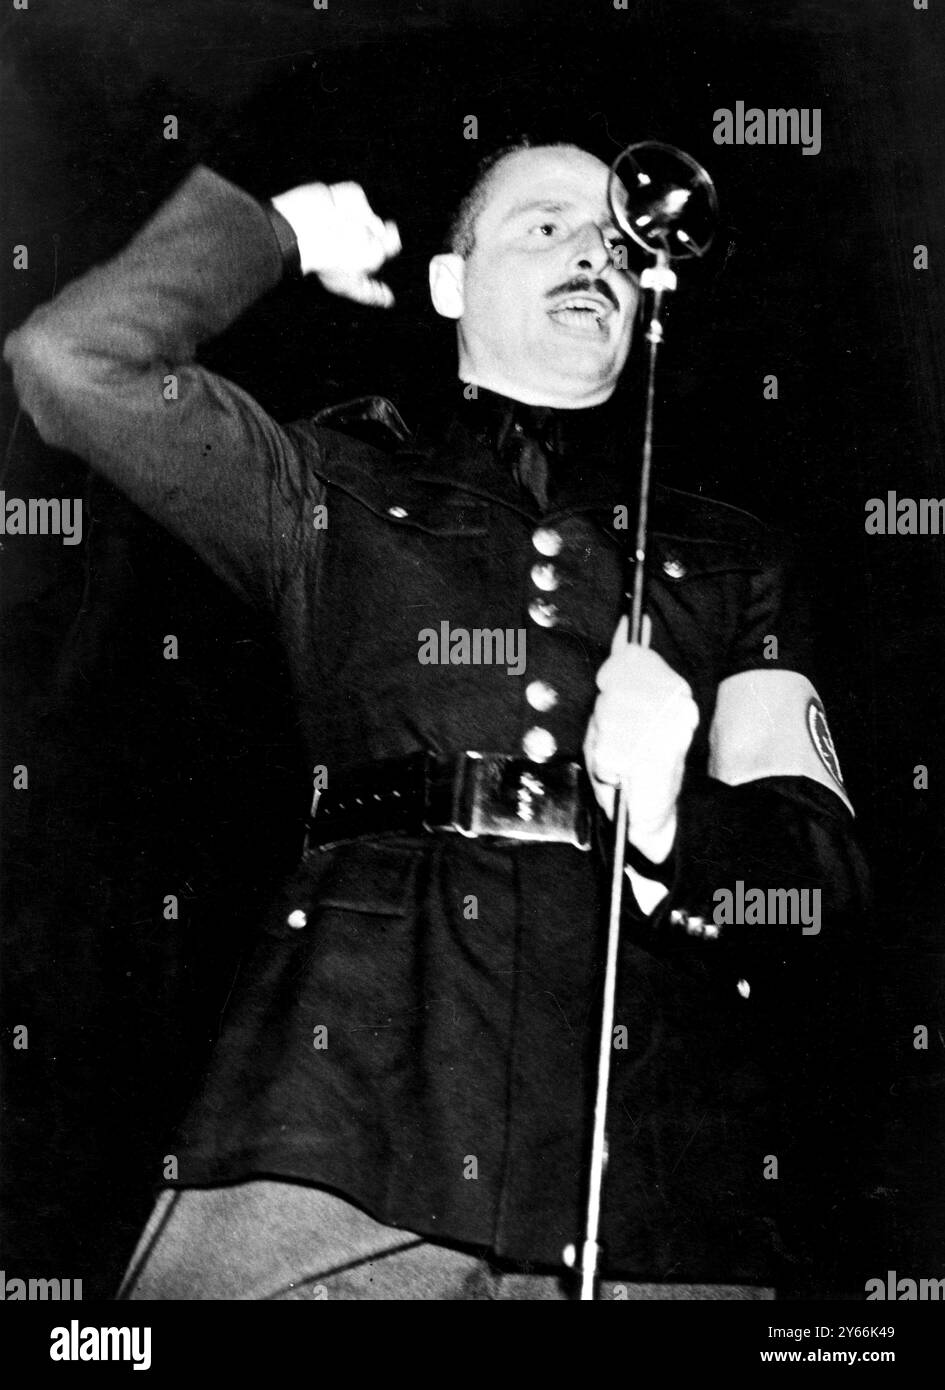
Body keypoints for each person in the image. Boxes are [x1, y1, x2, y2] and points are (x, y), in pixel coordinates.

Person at [4, 140, 869, 1300]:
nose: (591, 251)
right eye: (543, 225)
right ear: (451, 286)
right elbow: (72, 362)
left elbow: (820, 883)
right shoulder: (326, 482)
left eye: (614, 240)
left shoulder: (730, 553)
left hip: (654, 1176)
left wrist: (674, 816)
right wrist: (282, 229)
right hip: (342, 1121)